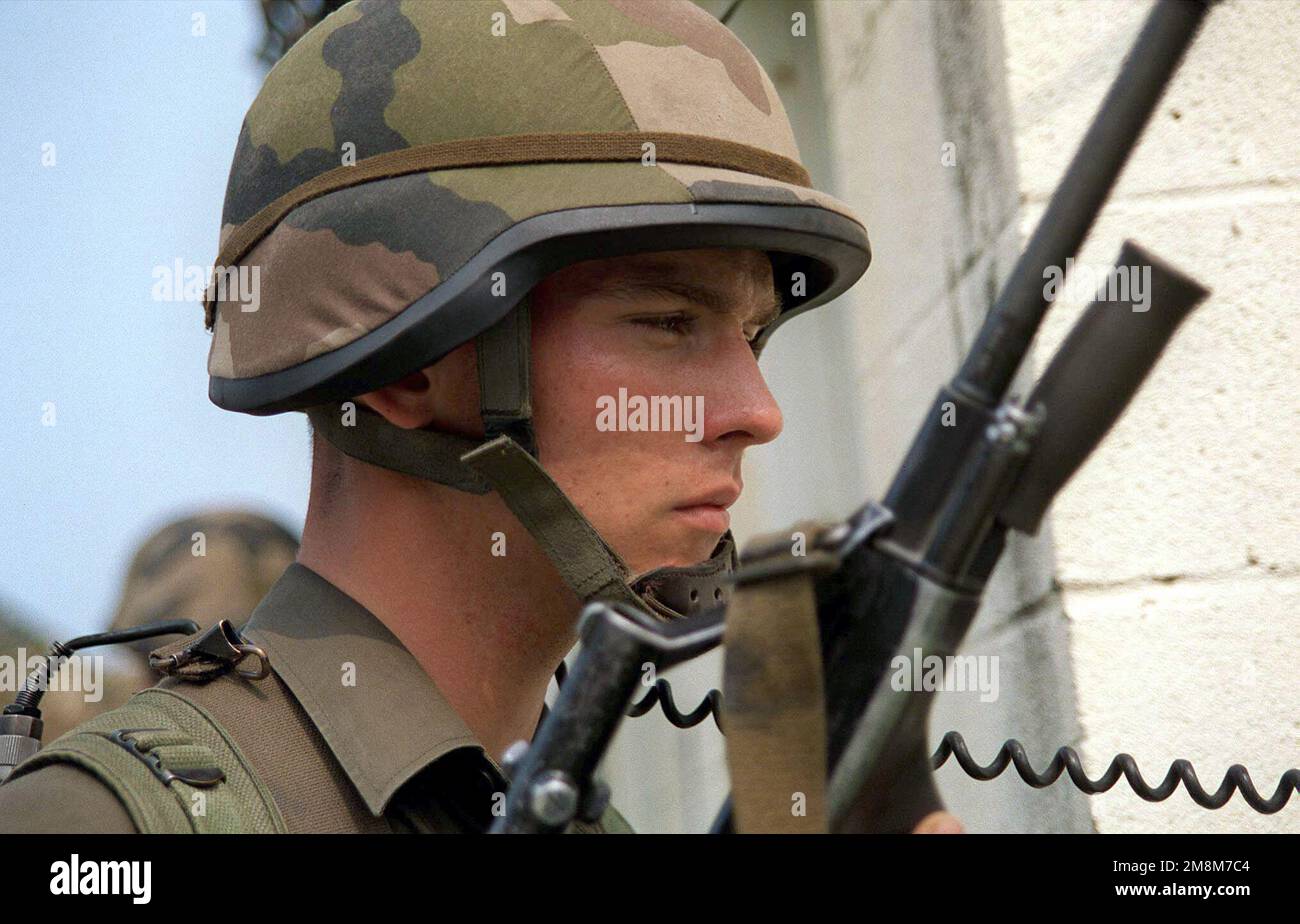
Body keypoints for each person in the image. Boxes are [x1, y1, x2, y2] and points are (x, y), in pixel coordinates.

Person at [0, 0, 961, 834]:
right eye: (668, 322)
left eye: (752, 337)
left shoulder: (574, 811)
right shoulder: (107, 827)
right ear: (406, 364)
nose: (758, 413)